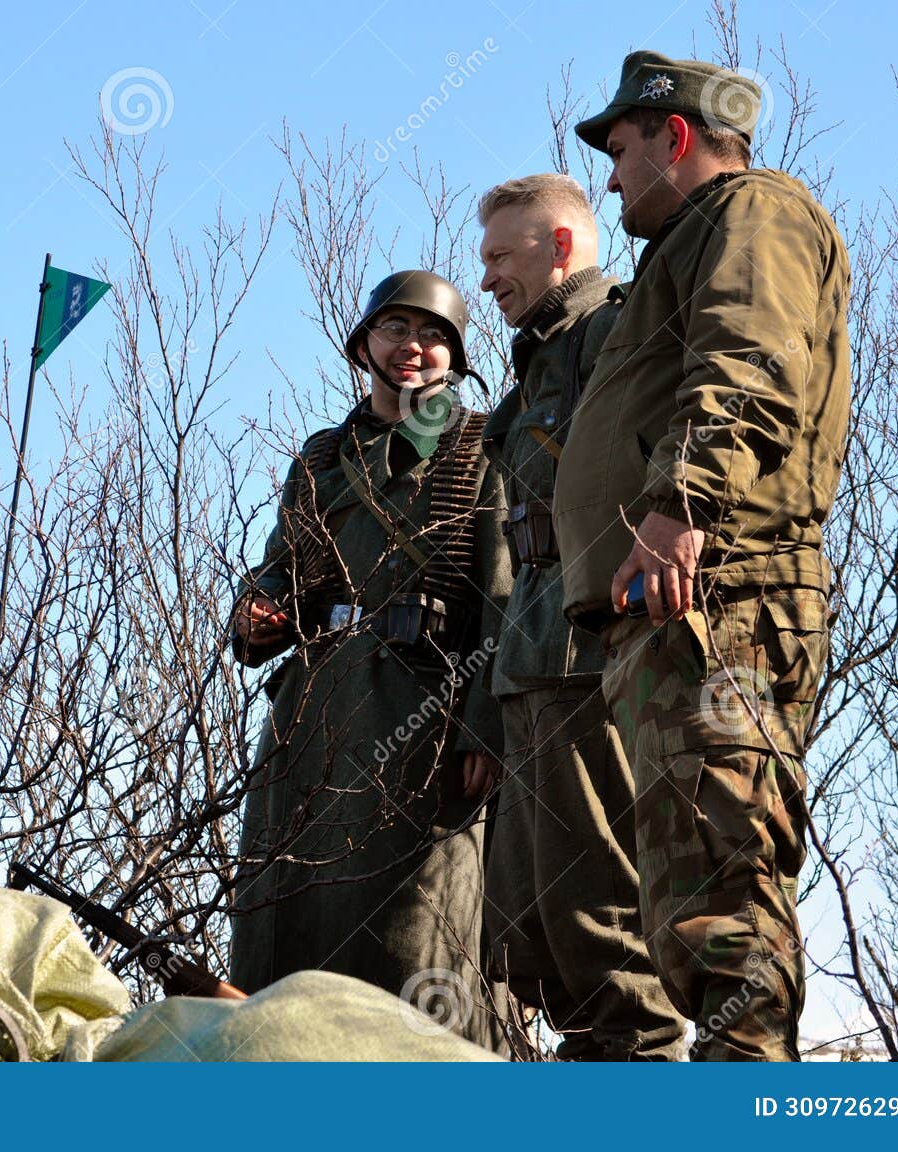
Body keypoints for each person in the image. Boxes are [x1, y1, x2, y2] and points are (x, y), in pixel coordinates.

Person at [554, 51, 851, 1060]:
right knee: (691, 898)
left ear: (673, 136)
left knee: (723, 887)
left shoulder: (754, 213)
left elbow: (750, 358)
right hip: (675, 611)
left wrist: (680, 501)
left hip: (719, 598)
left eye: (621, 147)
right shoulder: (682, 249)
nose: (609, 174)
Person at [228, 270, 509, 1047]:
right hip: (312, 720)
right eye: (395, 329)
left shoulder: (482, 447)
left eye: (432, 334)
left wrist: (484, 723)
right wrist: (256, 611)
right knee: (281, 941)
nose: (412, 347)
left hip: (424, 721)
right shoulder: (321, 459)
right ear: (364, 344)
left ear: (455, 353)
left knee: (416, 950)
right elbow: (278, 566)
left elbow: (504, 596)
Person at [458, 175, 684, 1059]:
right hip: (530, 662)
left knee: (606, 923)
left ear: (560, 247)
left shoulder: (614, 332)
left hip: (595, 659)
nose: (486, 282)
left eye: (501, 258)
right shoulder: (538, 360)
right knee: (521, 935)